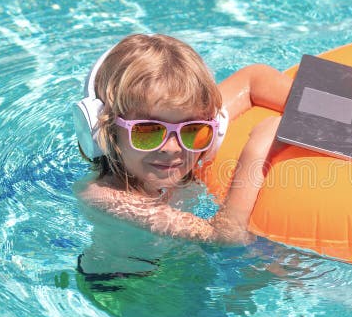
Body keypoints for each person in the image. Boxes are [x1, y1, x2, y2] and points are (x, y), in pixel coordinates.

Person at [74, 33, 293, 244]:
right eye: (149, 131)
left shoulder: (186, 109)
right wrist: (256, 151)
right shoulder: (104, 196)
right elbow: (224, 237)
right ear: (106, 131)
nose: (172, 147)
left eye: (192, 129)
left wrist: (315, 114)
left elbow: (252, 79)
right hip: (130, 281)